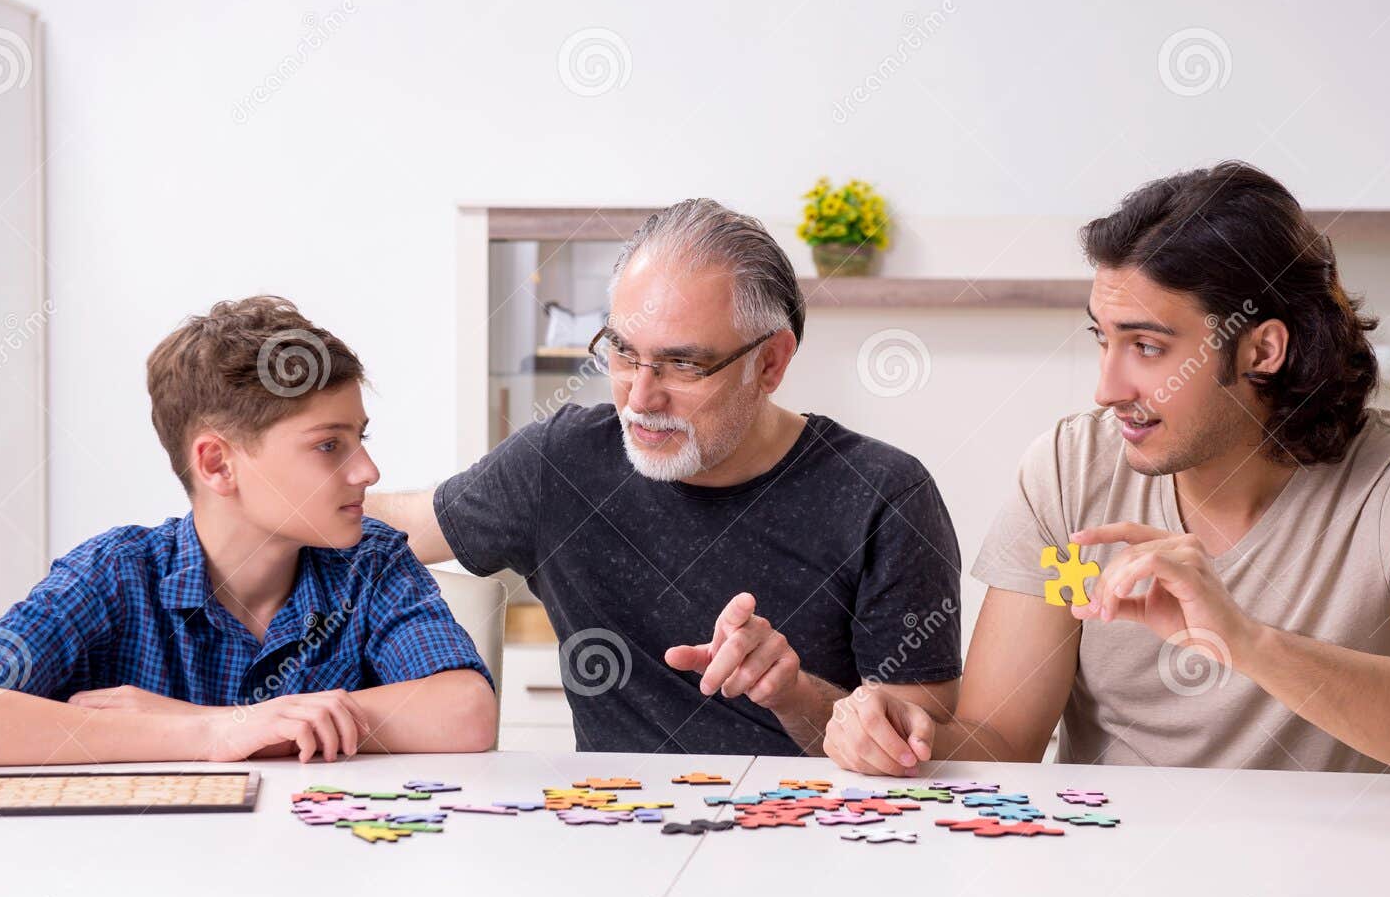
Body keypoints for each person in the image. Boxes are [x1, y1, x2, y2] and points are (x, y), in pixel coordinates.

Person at [825, 162, 1390, 792]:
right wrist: (900, 738)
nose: (1107, 386)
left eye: (1147, 346)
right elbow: (1001, 741)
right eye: (1102, 341)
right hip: (1111, 890)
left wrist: (1247, 641)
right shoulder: (1070, 475)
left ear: (1262, 349)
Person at [370, 199, 961, 758]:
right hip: (619, 834)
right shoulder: (562, 462)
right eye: (623, 354)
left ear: (771, 362)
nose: (641, 398)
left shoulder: (884, 495)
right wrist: (280, 489)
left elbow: (915, 748)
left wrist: (794, 694)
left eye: (683, 363)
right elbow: (394, 524)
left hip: (818, 841)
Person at [0, 296, 496, 766]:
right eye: (329, 445)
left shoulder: (371, 563)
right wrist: (214, 734)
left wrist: (234, 723)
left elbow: (465, 712)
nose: (367, 472)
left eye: (360, 439)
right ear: (216, 465)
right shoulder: (114, 573)